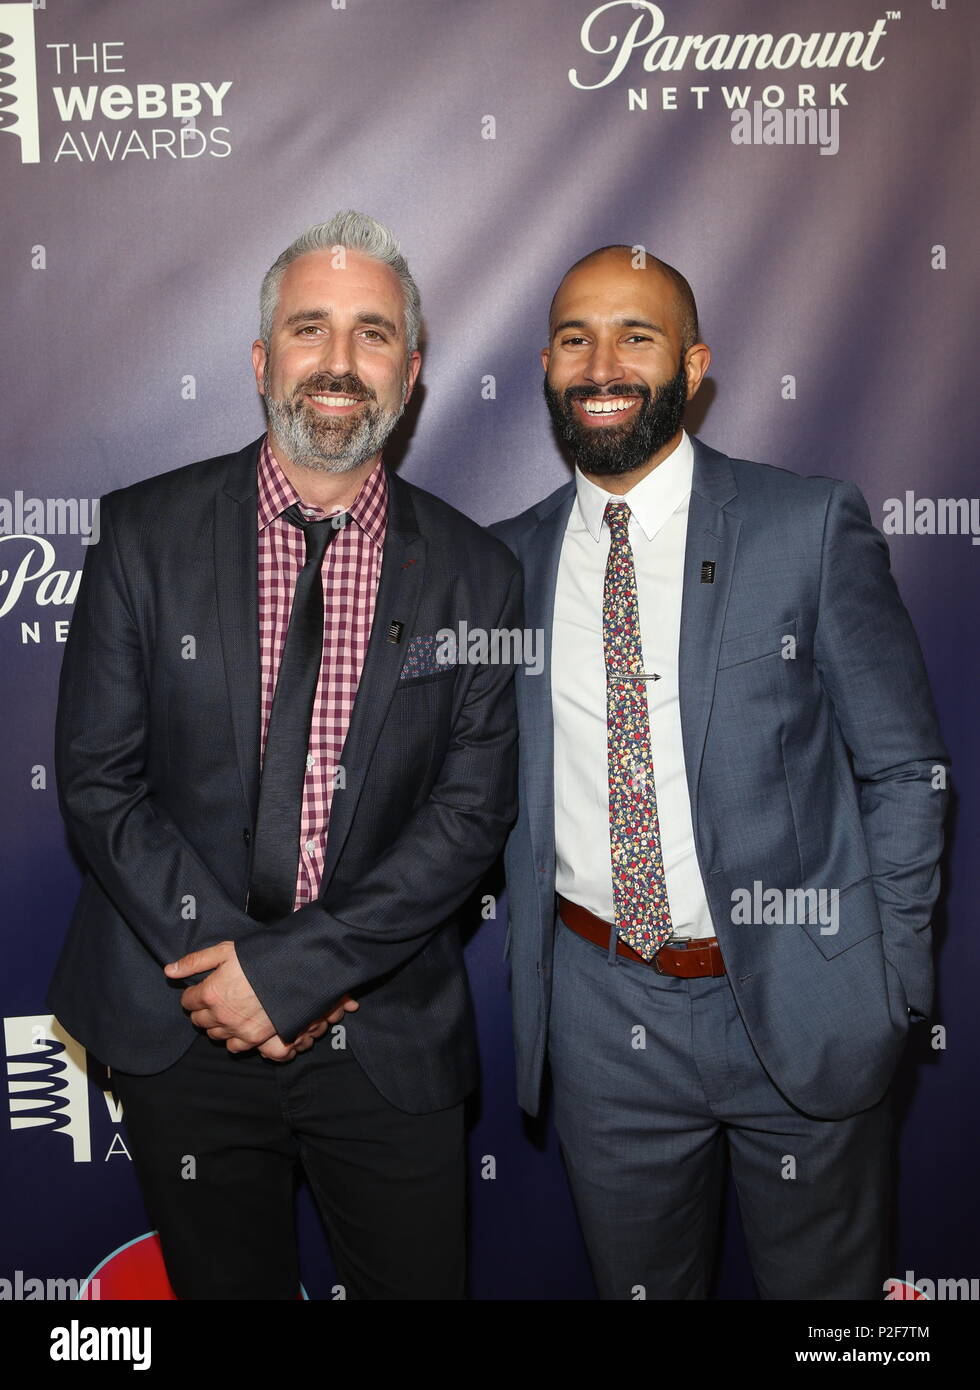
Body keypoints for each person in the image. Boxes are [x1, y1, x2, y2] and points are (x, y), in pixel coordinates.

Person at [49, 211, 521, 1300]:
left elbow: (468, 817)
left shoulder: (478, 576)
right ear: (263, 360)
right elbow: (98, 782)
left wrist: (300, 972)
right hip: (183, 1019)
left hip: (384, 1028)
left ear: (411, 370)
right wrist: (234, 971)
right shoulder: (141, 535)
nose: (339, 362)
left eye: (371, 333)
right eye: (310, 329)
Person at [491, 244, 949, 1300]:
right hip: (603, 1022)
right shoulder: (501, 562)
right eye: (573, 338)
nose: (600, 362)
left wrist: (889, 986)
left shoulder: (805, 525)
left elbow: (903, 765)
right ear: (548, 368)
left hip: (804, 998)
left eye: (634, 336)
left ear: (692, 367)